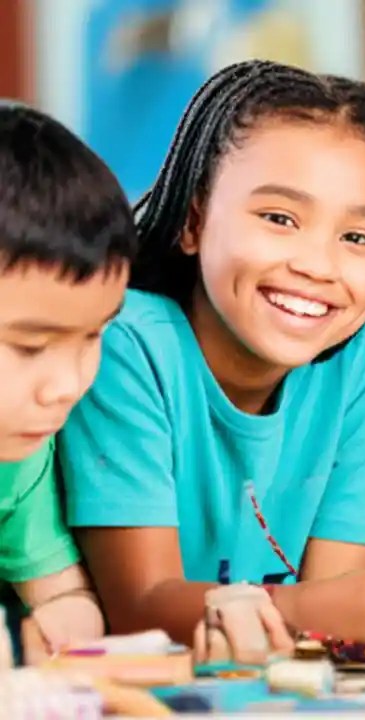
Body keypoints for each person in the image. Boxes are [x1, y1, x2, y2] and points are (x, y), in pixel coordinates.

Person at [58, 60, 365, 671]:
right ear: (195, 220)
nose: (317, 264)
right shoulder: (125, 343)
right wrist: (347, 611)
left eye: (357, 238)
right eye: (280, 219)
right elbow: (141, 608)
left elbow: (329, 617)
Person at [0, 104, 136, 661]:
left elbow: (60, 589)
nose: (68, 385)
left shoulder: (19, 459)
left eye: (91, 337)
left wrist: (65, 624)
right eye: (30, 346)